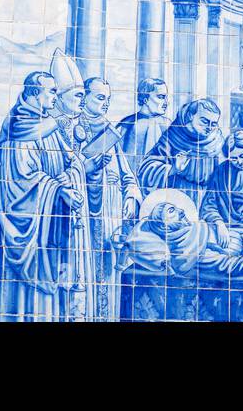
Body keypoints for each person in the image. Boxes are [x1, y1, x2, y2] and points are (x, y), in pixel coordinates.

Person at [0, 69, 93, 321]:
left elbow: (69, 160)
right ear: (34, 94)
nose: (55, 97)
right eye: (51, 91)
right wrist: (59, 189)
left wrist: (72, 175)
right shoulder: (19, 126)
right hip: (27, 226)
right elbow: (20, 184)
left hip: (49, 226)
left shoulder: (48, 124)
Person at [78, 76, 142, 321]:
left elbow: (128, 176)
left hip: (111, 219)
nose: (105, 104)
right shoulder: (73, 129)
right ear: (84, 97)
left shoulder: (109, 132)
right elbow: (71, 173)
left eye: (108, 99)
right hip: (86, 220)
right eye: (100, 97)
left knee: (109, 282)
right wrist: (92, 168)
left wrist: (131, 198)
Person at [137, 99, 224, 203]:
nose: (209, 127)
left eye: (213, 124)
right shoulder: (174, 136)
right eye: (204, 121)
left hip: (207, 200)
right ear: (191, 116)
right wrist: (173, 169)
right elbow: (147, 167)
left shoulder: (216, 140)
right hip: (177, 198)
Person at [117, 78, 171, 173]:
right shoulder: (126, 125)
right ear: (145, 99)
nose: (166, 103)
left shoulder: (168, 124)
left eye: (166, 97)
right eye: (161, 97)